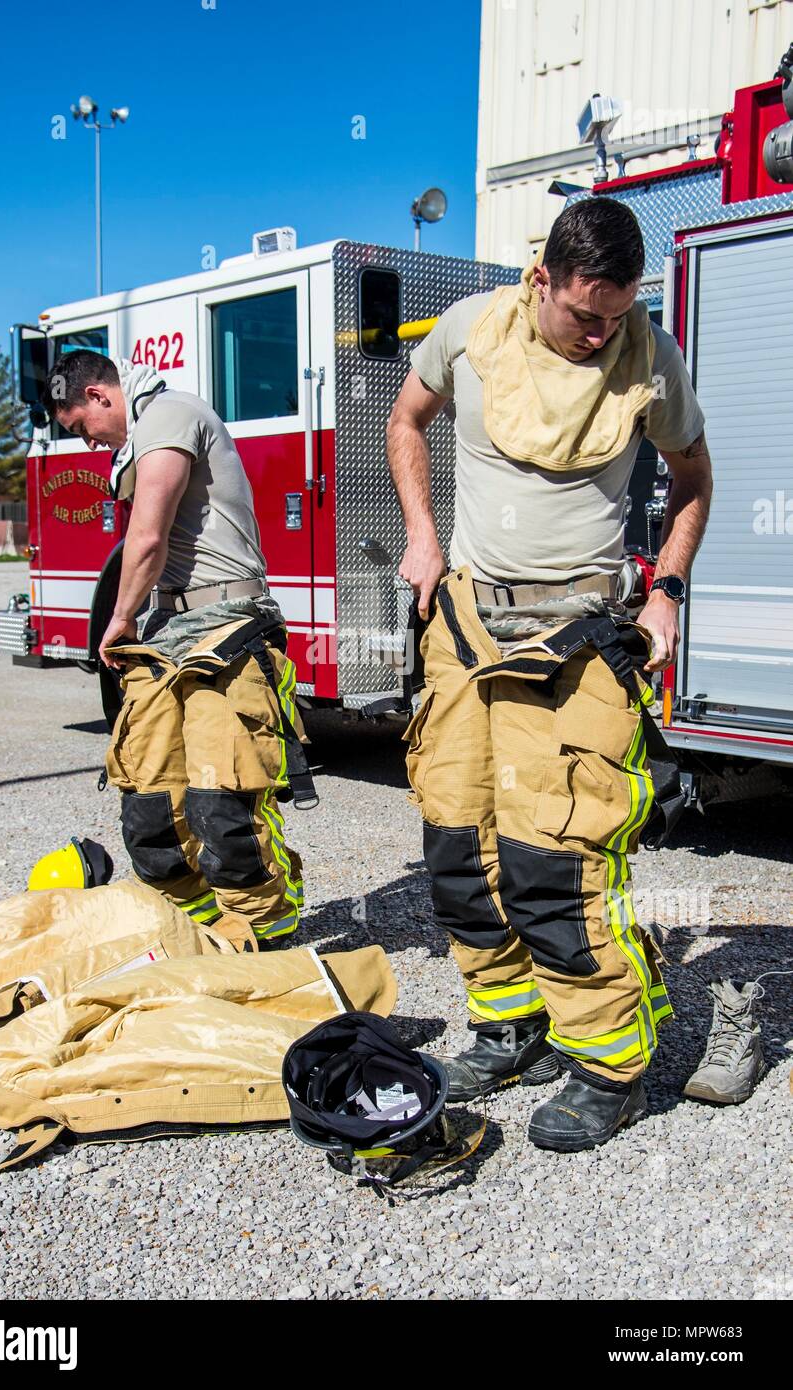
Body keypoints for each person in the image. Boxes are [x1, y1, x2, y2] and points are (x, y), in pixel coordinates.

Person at [386, 197, 712, 1151]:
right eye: (583, 314)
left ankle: (609, 1063)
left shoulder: (646, 356)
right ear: (542, 283)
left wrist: (667, 592)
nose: (599, 332)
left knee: (553, 861)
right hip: (465, 619)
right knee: (456, 842)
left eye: (617, 312)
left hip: (577, 632)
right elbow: (407, 420)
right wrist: (420, 536)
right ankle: (509, 1022)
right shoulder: (473, 328)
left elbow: (693, 478)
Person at [41, 351, 313, 949]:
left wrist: (118, 619)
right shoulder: (142, 432)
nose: (87, 444)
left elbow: (149, 535)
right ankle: (199, 930)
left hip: (227, 627)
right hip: (172, 627)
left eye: (82, 428)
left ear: (99, 396)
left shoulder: (169, 414)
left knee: (224, 805)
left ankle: (267, 935)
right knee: (150, 809)